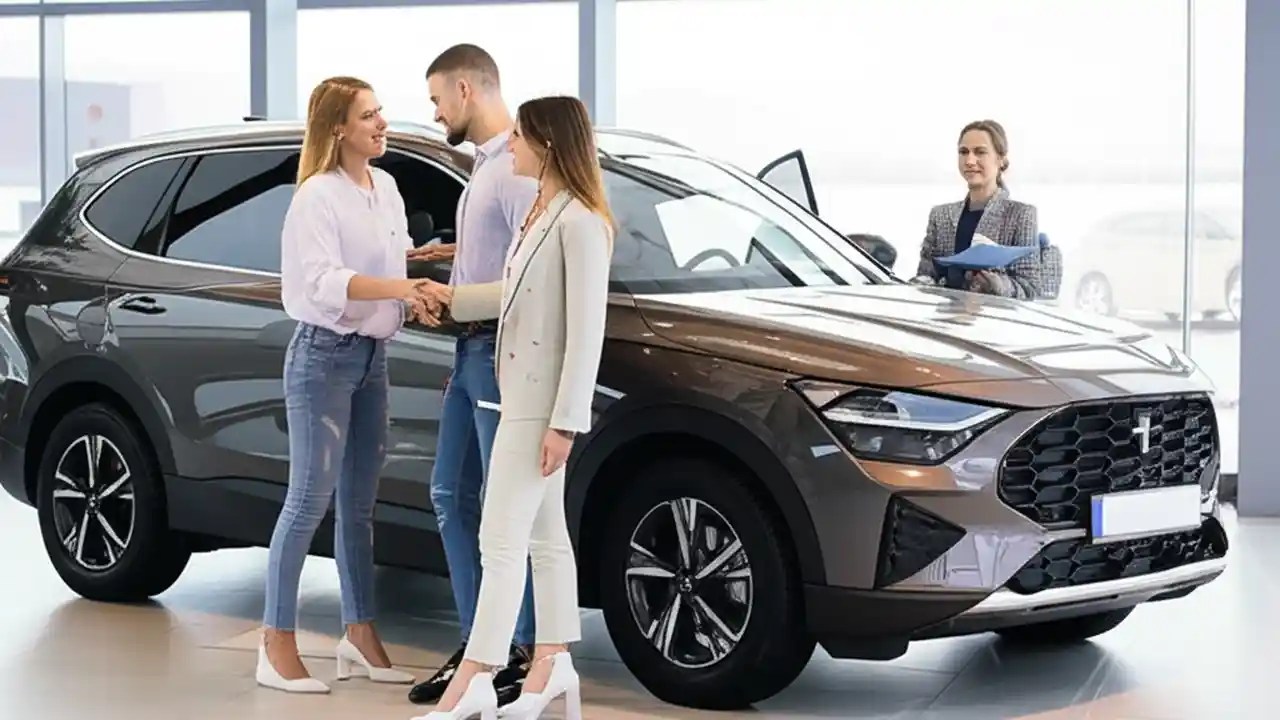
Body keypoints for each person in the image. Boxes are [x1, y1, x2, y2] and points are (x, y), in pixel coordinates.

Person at [412, 95, 613, 720]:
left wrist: (565, 424)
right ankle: (552, 664)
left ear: (549, 145)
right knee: (545, 538)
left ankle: (478, 671)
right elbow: (513, 293)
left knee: (499, 541)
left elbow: (587, 332)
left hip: (535, 407)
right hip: (518, 393)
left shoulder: (581, 222)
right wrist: (452, 301)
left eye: (522, 137)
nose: (513, 147)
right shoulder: (544, 213)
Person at [256, 75, 429, 694]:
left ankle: (359, 636)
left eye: (382, 112)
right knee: (307, 501)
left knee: (359, 506)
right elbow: (328, 281)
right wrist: (402, 288)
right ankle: (275, 642)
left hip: (371, 357)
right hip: (322, 358)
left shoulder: (385, 187)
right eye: (369, 116)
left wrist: (429, 268)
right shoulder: (315, 197)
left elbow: (395, 257)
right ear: (338, 129)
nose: (383, 124)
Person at [406, 43, 539, 708]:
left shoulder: (516, 167)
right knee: (449, 496)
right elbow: (504, 249)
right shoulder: (487, 166)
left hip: (495, 351)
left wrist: (451, 298)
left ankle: (516, 648)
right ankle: (478, 644)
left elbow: (529, 274)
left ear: (465, 89)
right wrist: (455, 256)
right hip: (468, 354)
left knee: (501, 509)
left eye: (436, 100)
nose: (435, 114)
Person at [913, 119, 1043, 299]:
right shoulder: (940, 216)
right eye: (963, 152)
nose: (970, 160)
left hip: (992, 321)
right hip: (945, 320)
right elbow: (926, 275)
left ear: (1001, 159)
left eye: (980, 152)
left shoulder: (1021, 215)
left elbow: (1030, 289)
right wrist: (920, 283)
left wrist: (996, 284)